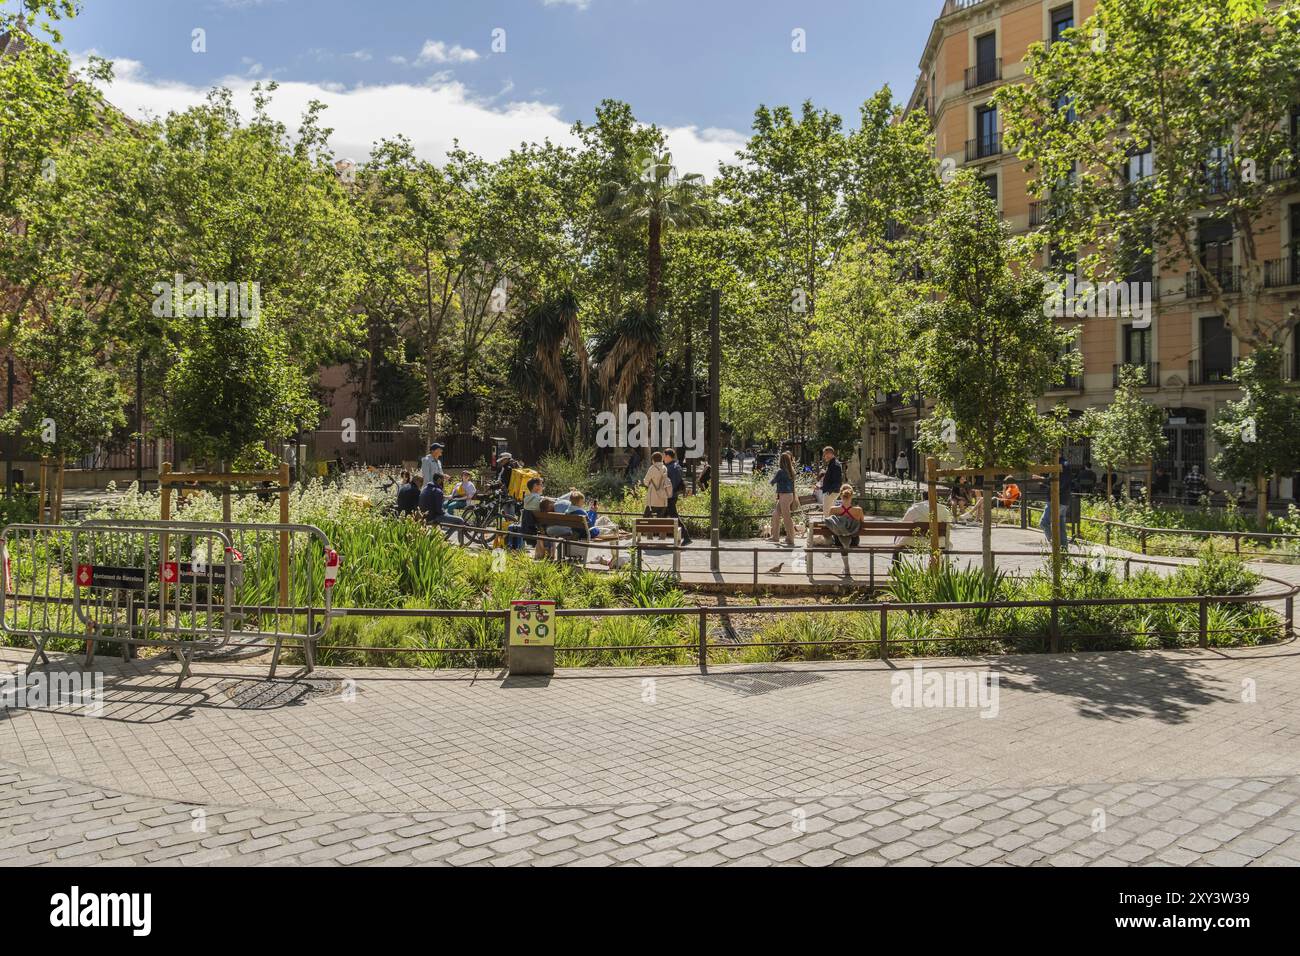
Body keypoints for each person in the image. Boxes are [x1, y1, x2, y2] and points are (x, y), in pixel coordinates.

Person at [663, 449, 692, 545]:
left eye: (664, 455)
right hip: (669, 495)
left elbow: (673, 484)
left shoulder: (672, 467)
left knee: (673, 516)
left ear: (668, 456)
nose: (663, 457)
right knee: (664, 515)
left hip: (670, 496)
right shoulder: (671, 466)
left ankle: (686, 537)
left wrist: (667, 492)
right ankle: (660, 535)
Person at [769, 450, 798, 547]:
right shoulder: (791, 470)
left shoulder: (780, 471)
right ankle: (775, 537)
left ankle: (790, 539)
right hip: (788, 495)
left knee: (786, 518)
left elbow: (772, 482)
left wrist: (772, 479)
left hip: (784, 496)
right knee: (776, 514)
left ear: (781, 461)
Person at [507, 476, 544, 550]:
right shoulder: (539, 500)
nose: (543, 487)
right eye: (541, 485)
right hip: (540, 528)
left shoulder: (527, 499)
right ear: (536, 486)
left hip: (528, 528)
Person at [643, 452, 670, 517]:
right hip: (663, 498)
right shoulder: (664, 468)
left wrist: (648, 484)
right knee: (660, 519)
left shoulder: (652, 468)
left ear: (653, 460)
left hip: (653, 498)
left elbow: (646, 481)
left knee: (646, 517)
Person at [818, 446, 843, 516]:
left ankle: (828, 526)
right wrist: (822, 488)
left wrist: (829, 492)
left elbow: (837, 481)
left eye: (825, 454)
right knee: (829, 513)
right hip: (830, 491)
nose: (824, 456)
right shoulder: (832, 463)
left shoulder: (835, 464)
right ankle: (829, 526)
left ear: (829, 454)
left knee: (827, 513)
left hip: (831, 492)